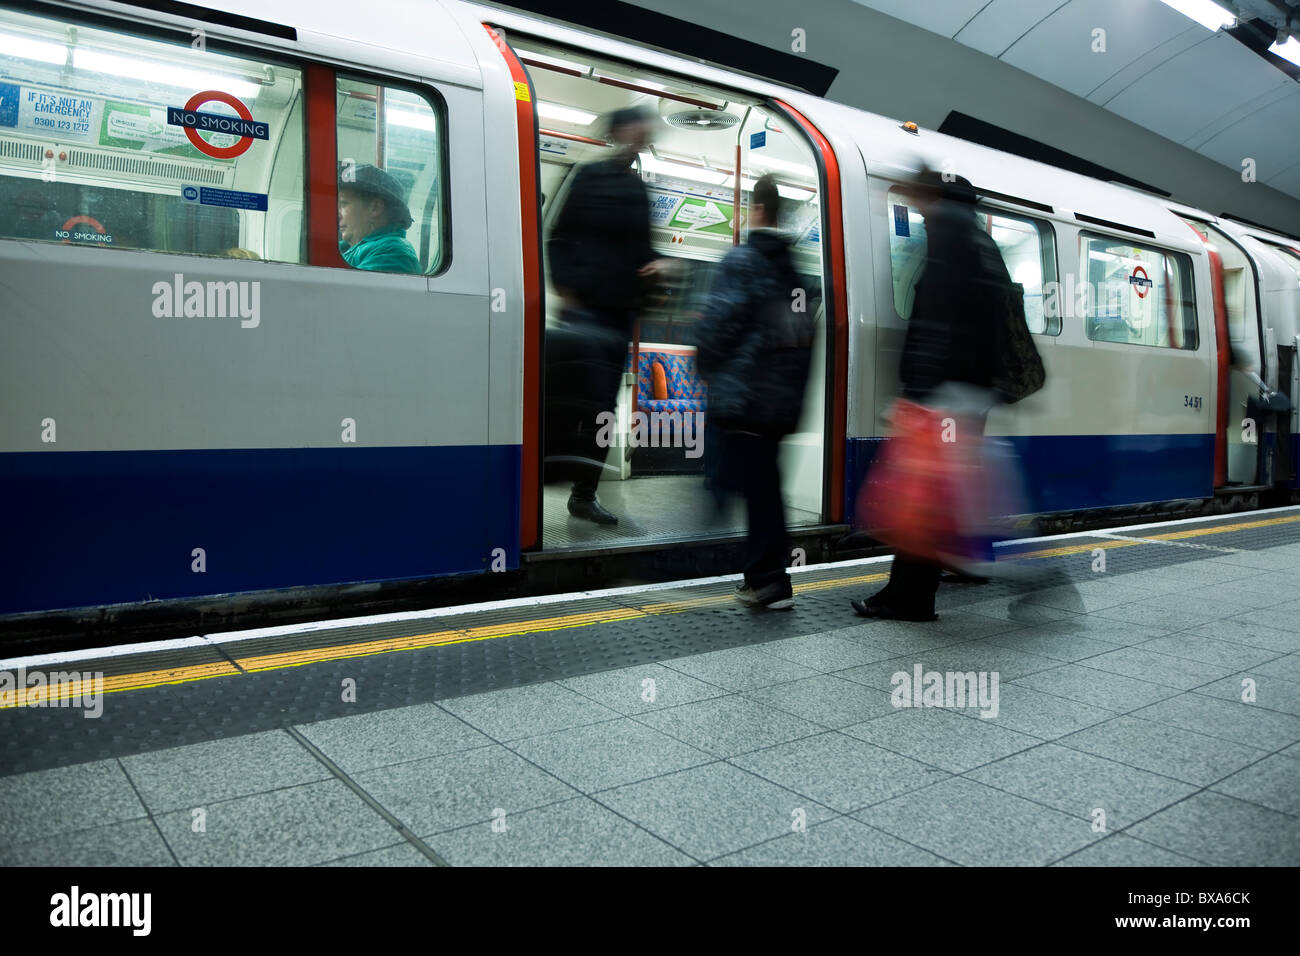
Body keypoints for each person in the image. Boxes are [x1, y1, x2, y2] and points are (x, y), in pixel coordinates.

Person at [852, 170, 1009, 621]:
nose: (917, 209)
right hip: (968, 391)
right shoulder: (979, 244)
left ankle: (911, 596)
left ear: (936, 198)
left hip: (944, 395)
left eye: (920, 198)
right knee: (935, 497)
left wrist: (916, 393)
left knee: (920, 500)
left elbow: (936, 323)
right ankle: (928, 583)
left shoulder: (950, 241)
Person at [546, 106, 673, 524]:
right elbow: (558, 237)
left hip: (620, 315)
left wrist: (657, 266)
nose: (642, 134)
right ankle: (541, 480)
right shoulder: (587, 177)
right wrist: (568, 289)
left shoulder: (638, 191)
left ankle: (583, 494)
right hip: (585, 311)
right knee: (571, 401)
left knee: (603, 407)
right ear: (619, 130)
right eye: (636, 126)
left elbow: (644, 251)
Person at [694, 175, 813, 610]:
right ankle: (767, 578)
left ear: (757, 211)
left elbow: (718, 325)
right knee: (765, 488)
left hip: (743, 399)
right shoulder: (796, 273)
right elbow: (802, 337)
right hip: (778, 404)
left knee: (740, 482)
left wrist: (705, 364)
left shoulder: (742, 262)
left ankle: (764, 577)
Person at [338, 164, 421, 274]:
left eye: (343, 204)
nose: (337, 214)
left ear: (375, 208)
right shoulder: (344, 247)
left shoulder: (394, 254)